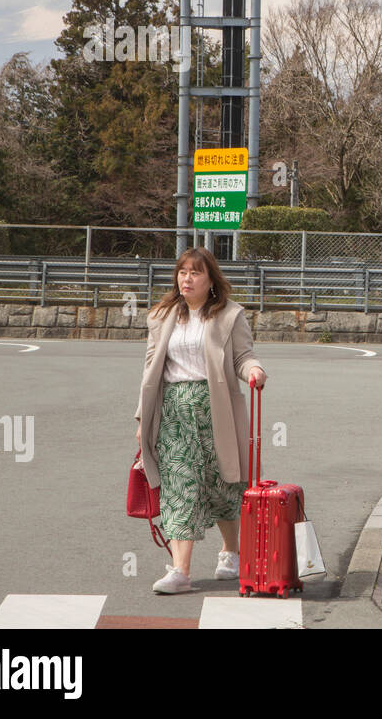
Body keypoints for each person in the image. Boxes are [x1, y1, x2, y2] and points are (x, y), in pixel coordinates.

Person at [135, 247, 267, 594]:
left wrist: (253, 369)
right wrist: (141, 420)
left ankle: (230, 552)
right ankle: (180, 570)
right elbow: (150, 369)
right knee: (180, 485)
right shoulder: (162, 316)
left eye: (195, 273)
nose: (187, 279)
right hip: (173, 411)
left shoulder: (229, 315)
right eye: (182, 272)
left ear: (211, 281)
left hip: (215, 409)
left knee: (223, 485)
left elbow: (243, 356)